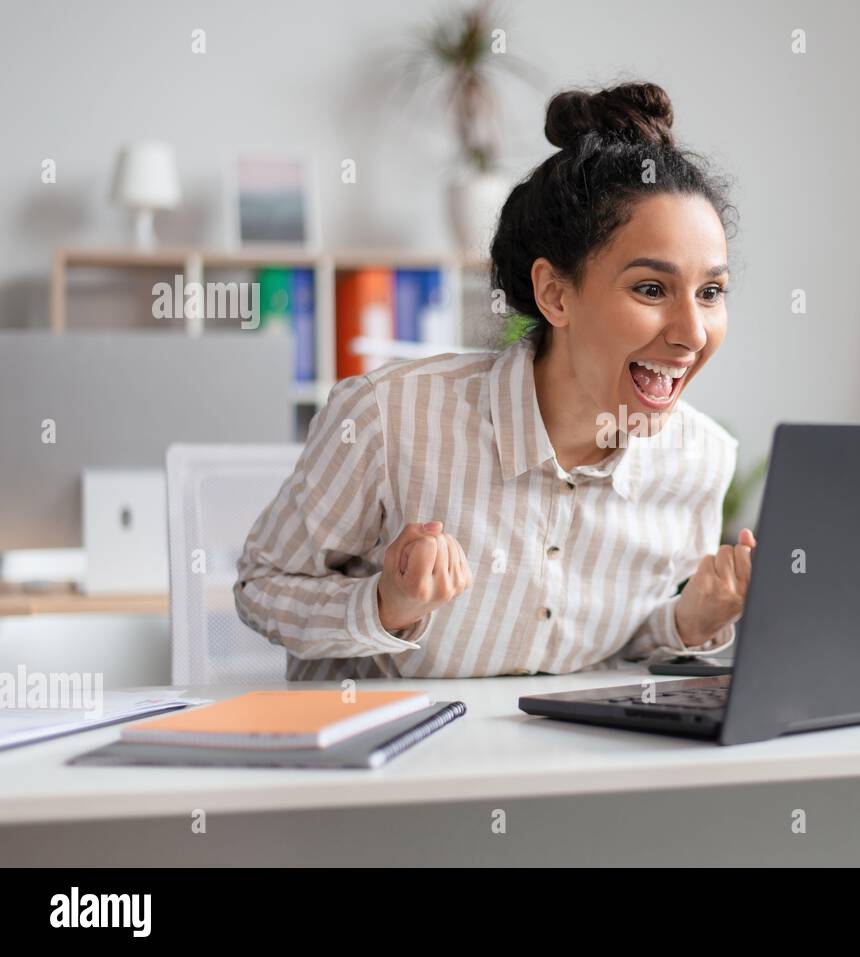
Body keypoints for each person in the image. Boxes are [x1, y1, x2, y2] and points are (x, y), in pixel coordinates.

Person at [233, 80, 755, 679]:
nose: (692, 332)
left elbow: (615, 646)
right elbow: (260, 587)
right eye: (651, 289)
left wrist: (691, 620)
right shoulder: (388, 417)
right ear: (556, 294)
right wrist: (386, 605)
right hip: (381, 765)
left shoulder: (700, 461)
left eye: (711, 292)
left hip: (559, 765)